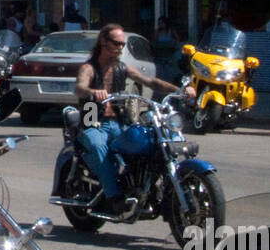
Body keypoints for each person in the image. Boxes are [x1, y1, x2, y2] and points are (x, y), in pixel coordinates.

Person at [74, 24, 194, 217]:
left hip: (119, 123)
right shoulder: (89, 68)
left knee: (146, 141)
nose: (120, 48)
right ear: (103, 42)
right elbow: (79, 88)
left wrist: (178, 90)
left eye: (123, 44)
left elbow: (150, 81)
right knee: (99, 148)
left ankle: (144, 189)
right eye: (116, 43)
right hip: (93, 122)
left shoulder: (122, 68)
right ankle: (115, 198)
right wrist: (92, 92)